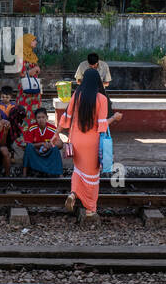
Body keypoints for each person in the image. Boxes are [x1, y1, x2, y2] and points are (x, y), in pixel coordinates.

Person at [58, 68, 123, 218]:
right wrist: (115, 118)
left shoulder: (77, 94)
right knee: (92, 175)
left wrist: (56, 134)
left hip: (76, 140)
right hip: (91, 143)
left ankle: (73, 194)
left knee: (78, 170)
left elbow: (66, 117)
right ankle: (90, 209)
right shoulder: (101, 99)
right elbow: (102, 125)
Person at [22, 105, 64, 177]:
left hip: (47, 152)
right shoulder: (32, 128)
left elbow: (60, 144)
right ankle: (24, 173)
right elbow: (26, 145)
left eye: (43, 117)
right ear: (35, 119)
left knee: (55, 149)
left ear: (47, 118)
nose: (41, 119)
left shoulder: (52, 128)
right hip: (36, 153)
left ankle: (60, 174)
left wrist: (50, 145)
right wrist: (41, 144)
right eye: (38, 118)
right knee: (28, 147)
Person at [16, 59, 44, 124]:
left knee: (35, 111)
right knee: (24, 112)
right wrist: (33, 70)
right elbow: (22, 73)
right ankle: (25, 131)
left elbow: (37, 71)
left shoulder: (31, 56)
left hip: (34, 88)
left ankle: (33, 130)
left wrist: (36, 70)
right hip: (26, 89)